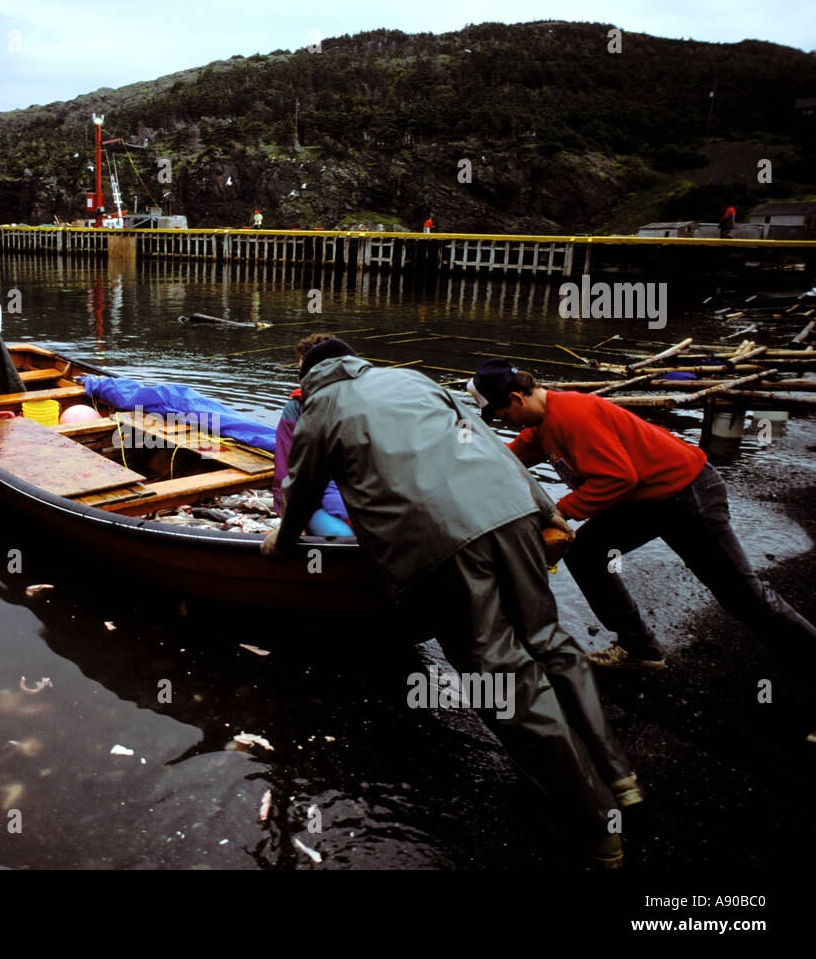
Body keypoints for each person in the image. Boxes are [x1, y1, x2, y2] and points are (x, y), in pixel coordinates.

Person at [262, 337, 640, 865]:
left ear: (310, 371)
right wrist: (546, 510)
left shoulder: (319, 409)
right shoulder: (411, 379)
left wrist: (280, 543)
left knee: (501, 675)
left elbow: (299, 490)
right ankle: (619, 776)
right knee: (549, 640)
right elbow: (483, 440)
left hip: (438, 541)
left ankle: (595, 826)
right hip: (509, 512)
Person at [470, 358, 816, 684]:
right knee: (587, 554)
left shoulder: (572, 415)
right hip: (646, 500)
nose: (504, 422)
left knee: (742, 597)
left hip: (687, 493)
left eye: (501, 414)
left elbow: (617, 478)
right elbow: (508, 462)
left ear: (516, 397)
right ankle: (640, 649)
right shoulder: (541, 423)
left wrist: (561, 512)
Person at [272, 334, 351, 532]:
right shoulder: (366, 394)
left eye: (302, 370)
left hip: (332, 499)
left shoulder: (298, 404)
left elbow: (286, 465)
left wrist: (285, 513)